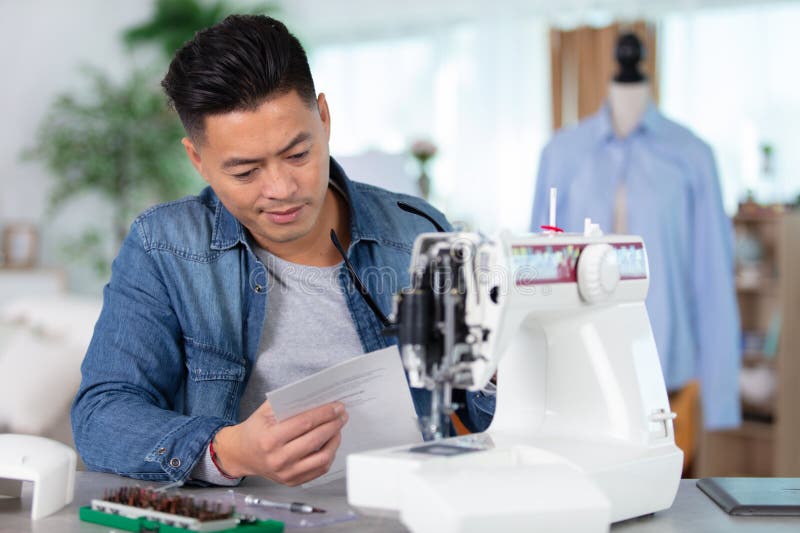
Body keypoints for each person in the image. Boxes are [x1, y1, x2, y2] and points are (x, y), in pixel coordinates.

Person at [71, 14, 491, 487]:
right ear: (198, 159)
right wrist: (227, 451)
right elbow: (100, 416)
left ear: (325, 119)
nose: (281, 188)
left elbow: (473, 410)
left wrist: (504, 360)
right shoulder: (162, 247)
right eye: (246, 171)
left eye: (298, 154)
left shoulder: (419, 234)